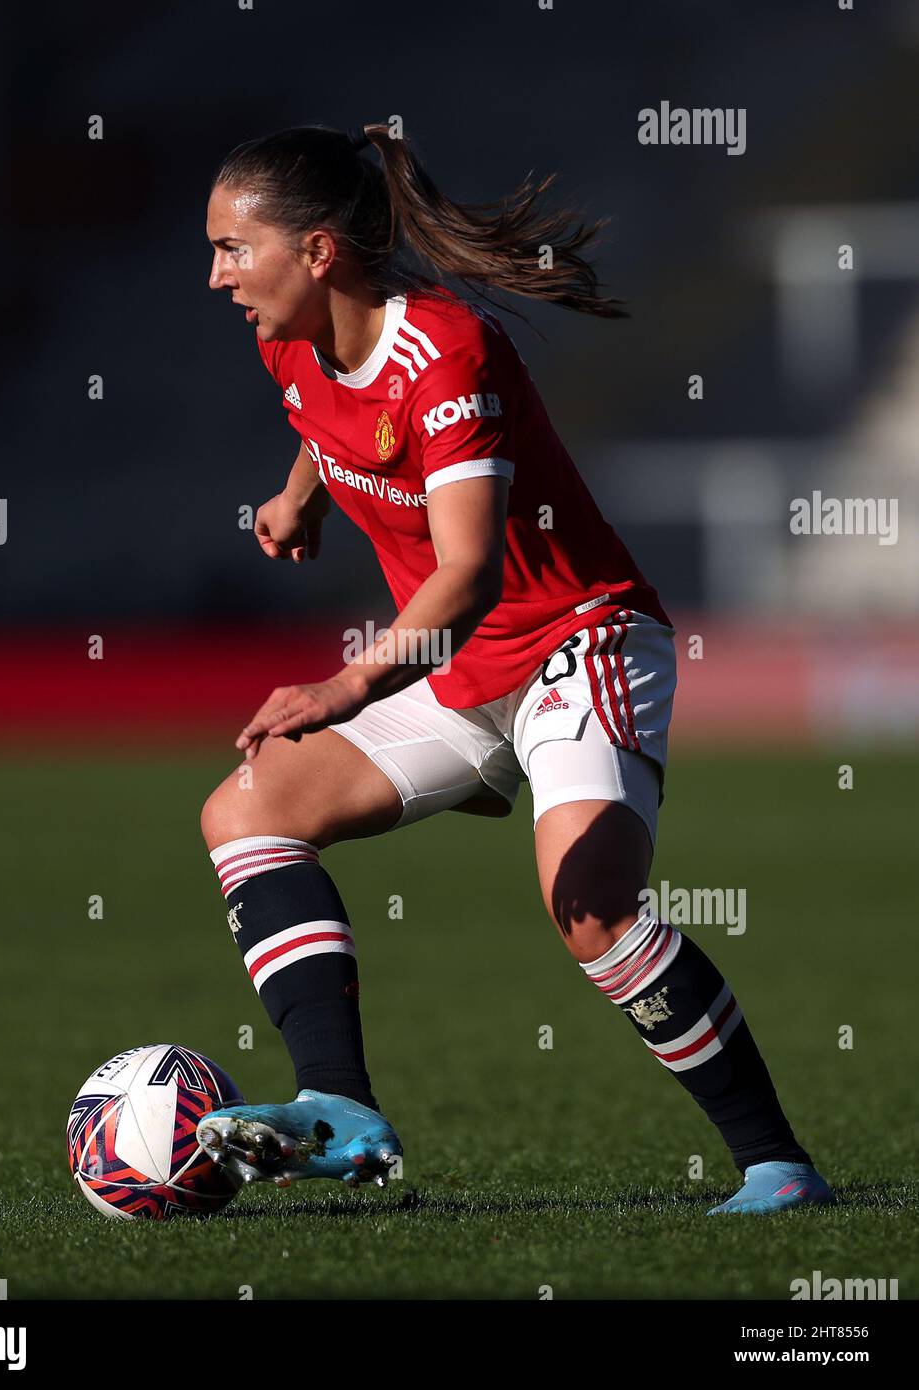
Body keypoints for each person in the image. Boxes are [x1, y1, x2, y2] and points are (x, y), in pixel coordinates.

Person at [194, 122, 831, 1215]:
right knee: (244, 812)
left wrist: (342, 687)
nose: (216, 277)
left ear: (316, 253)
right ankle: (340, 1104)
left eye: (231, 249)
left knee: (590, 905)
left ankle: (778, 1167)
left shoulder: (449, 350)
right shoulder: (287, 338)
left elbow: (471, 575)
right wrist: (300, 494)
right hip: (459, 679)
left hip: (577, 644)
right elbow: (326, 408)